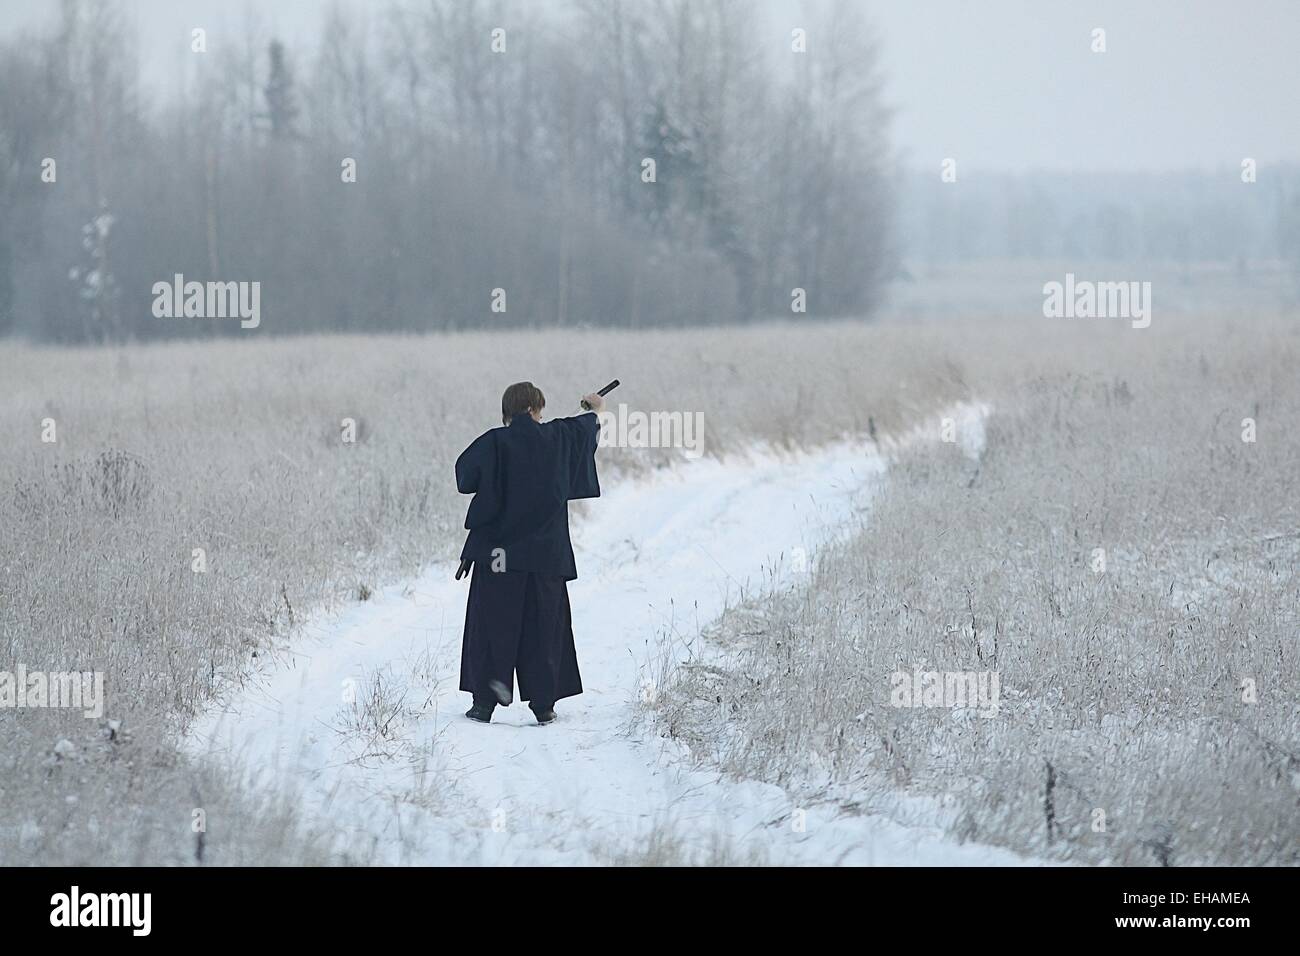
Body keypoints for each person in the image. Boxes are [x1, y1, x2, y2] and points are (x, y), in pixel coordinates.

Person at [454, 381, 605, 725]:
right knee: (545, 628)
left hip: (497, 558)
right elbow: (584, 430)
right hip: (546, 557)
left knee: (493, 625)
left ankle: (484, 704)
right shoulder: (559, 437)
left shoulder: (493, 442)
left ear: (506, 413)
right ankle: (543, 705)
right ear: (537, 409)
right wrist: (594, 408)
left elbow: (464, 477)